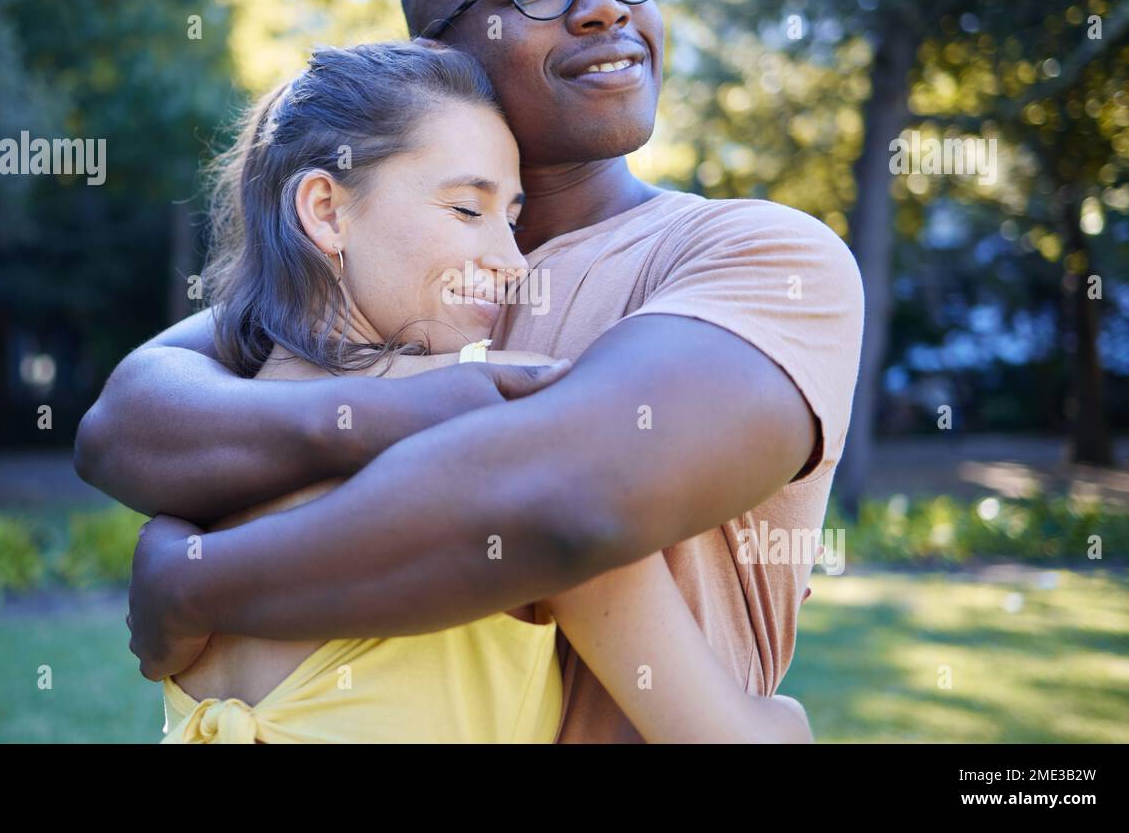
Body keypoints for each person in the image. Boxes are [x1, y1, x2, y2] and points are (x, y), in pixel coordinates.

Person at [77, 0, 864, 744]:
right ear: (442, 53)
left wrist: (196, 581)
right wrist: (413, 406)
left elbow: (566, 502)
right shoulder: (397, 284)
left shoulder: (754, 254)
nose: (602, 5)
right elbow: (125, 420)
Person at [158, 39, 811, 743]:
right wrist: (788, 719)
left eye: (513, 217)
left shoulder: (185, 475)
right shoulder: (520, 453)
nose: (511, 260)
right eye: (468, 209)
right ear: (326, 210)